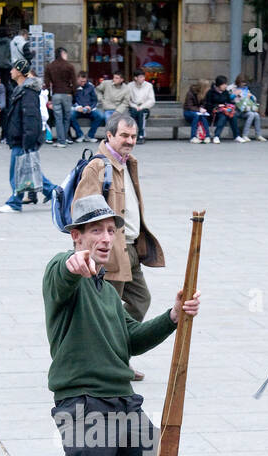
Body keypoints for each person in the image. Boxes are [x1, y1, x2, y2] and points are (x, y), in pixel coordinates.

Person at [2, 195, 200, 456]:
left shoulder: (108, 293)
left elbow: (131, 340)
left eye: (112, 230)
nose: (106, 238)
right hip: (83, 404)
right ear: (77, 237)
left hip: (123, 403)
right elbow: (63, 273)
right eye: (96, 230)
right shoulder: (63, 272)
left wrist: (172, 315)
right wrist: (73, 263)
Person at [72, 112, 165, 356]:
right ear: (110, 135)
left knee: (140, 300)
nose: (130, 140)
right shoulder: (98, 166)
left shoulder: (127, 162)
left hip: (132, 249)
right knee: (108, 309)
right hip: (110, 252)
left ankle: (120, 350)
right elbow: (82, 211)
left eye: (133, 136)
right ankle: (111, 360)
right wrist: (89, 253)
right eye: (124, 135)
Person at [0, 58, 55, 213]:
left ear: (20, 72)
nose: (10, 71)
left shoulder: (28, 92)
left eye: (13, 69)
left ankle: (15, 202)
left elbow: (30, 118)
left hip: (23, 139)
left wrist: (27, 140)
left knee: (17, 171)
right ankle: (56, 194)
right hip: (19, 138)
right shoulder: (22, 89)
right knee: (30, 171)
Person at [46, 47, 77, 146]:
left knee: (58, 118)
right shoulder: (69, 66)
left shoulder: (50, 66)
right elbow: (74, 82)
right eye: (66, 54)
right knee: (66, 118)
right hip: (67, 94)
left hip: (56, 94)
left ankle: (61, 141)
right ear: (63, 53)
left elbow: (47, 83)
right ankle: (65, 138)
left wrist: (49, 98)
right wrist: (73, 93)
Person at [69, 71, 105, 141]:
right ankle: (80, 135)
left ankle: (90, 135)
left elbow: (95, 100)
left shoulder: (90, 87)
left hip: (89, 109)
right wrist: (77, 107)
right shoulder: (73, 87)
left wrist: (90, 107)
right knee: (70, 115)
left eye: (84, 81)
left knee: (100, 116)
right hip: (78, 109)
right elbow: (70, 101)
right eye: (81, 81)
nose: (83, 83)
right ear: (77, 79)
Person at [202, 75, 237, 143]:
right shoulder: (210, 92)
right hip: (214, 112)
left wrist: (228, 106)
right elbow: (208, 105)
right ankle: (216, 136)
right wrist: (217, 106)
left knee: (233, 116)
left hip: (225, 110)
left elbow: (229, 102)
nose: (225, 86)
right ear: (219, 85)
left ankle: (237, 135)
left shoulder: (225, 92)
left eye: (226, 84)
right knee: (223, 116)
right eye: (224, 84)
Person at [233, 74, 265, 141]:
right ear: (239, 82)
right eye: (242, 82)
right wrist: (237, 95)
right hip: (239, 111)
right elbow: (235, 102)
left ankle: (258, 134)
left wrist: (251, 97)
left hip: (248, 109)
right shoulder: (235, 90)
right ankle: (245, 135)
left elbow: (254, 100)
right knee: (251, 114)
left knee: (256, 115)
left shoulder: (246, 90)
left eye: (245, 82)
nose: (244, 84)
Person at [127, 69, 155, 142]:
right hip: (133, 107)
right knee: (133, 113)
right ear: (135, 78)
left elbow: (151, 100)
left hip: (144, 107)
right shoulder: (130, 85)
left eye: (143, 77)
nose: (143, 79)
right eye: (141, 77)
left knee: (141, 113)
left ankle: (141, 135)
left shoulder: (149, 85)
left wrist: (141, 107)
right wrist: (135, 106)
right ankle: (131, 135)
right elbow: (127, 99)